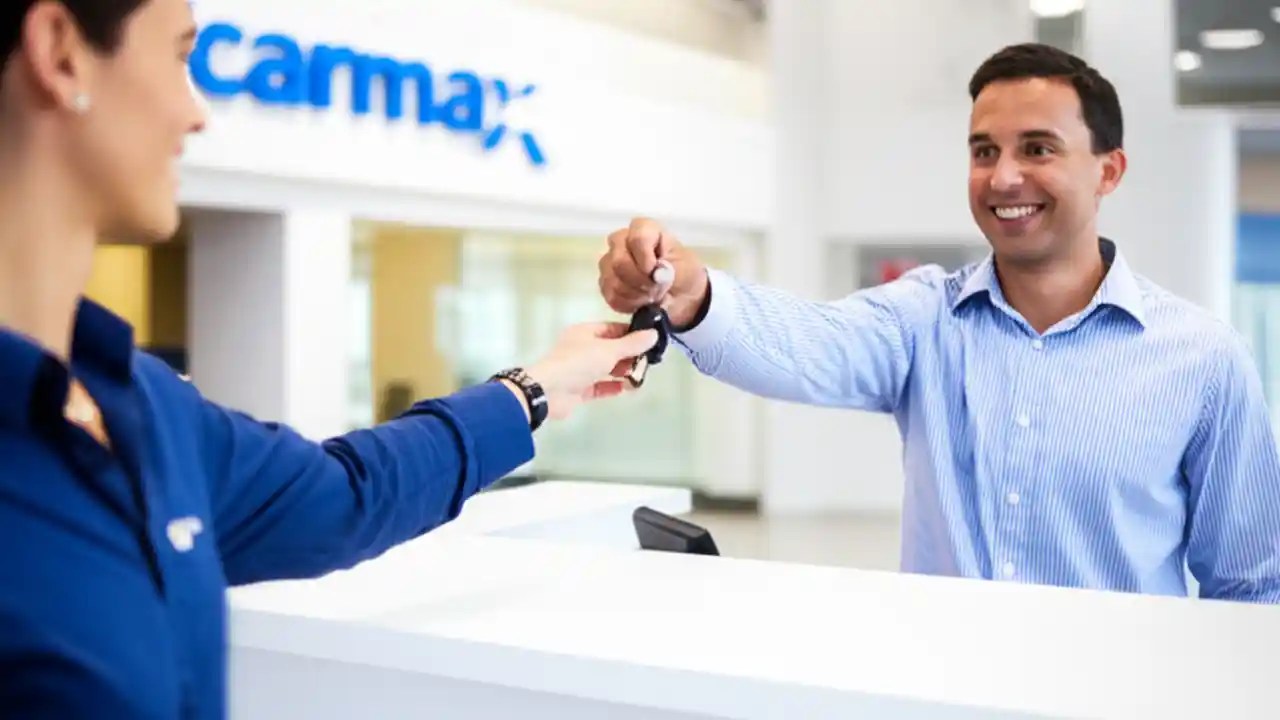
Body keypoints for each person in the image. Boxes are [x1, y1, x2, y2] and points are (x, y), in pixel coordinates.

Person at [0, 1, 657, 718]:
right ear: (61, 54)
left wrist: (538, 388)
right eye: (181, 56)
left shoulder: (143, 406)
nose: (198, 116)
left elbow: (347, 493)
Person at [600, 43, 1280, 603]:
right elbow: (806, 343)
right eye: (984, 152)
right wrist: (690, 293)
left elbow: (1252, 583)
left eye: (1038, 149)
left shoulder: (1202, 359)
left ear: (1109, 172)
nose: (1003, 177)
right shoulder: (924, 317)